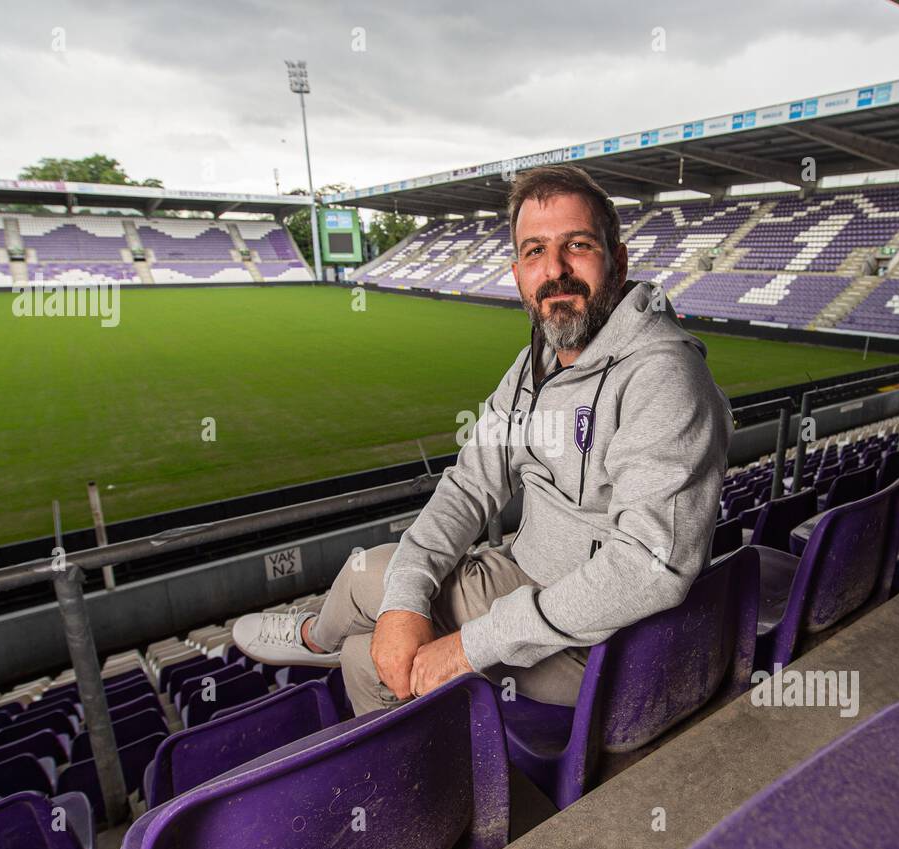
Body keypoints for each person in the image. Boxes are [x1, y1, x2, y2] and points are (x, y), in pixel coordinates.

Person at [233, 164, 731, 715]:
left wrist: (473, 645)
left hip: (610, 646)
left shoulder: (663, 375)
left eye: (578, 245)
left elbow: (648, 567)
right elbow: (470, 486)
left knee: (360, 583)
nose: (556, 270)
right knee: (366, 652)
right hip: (531, 581)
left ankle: (314, 640)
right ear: (517, 273)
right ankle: (428, 776)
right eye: (536, 251)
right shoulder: (534, 364)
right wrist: (404, 608)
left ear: (618, 260)